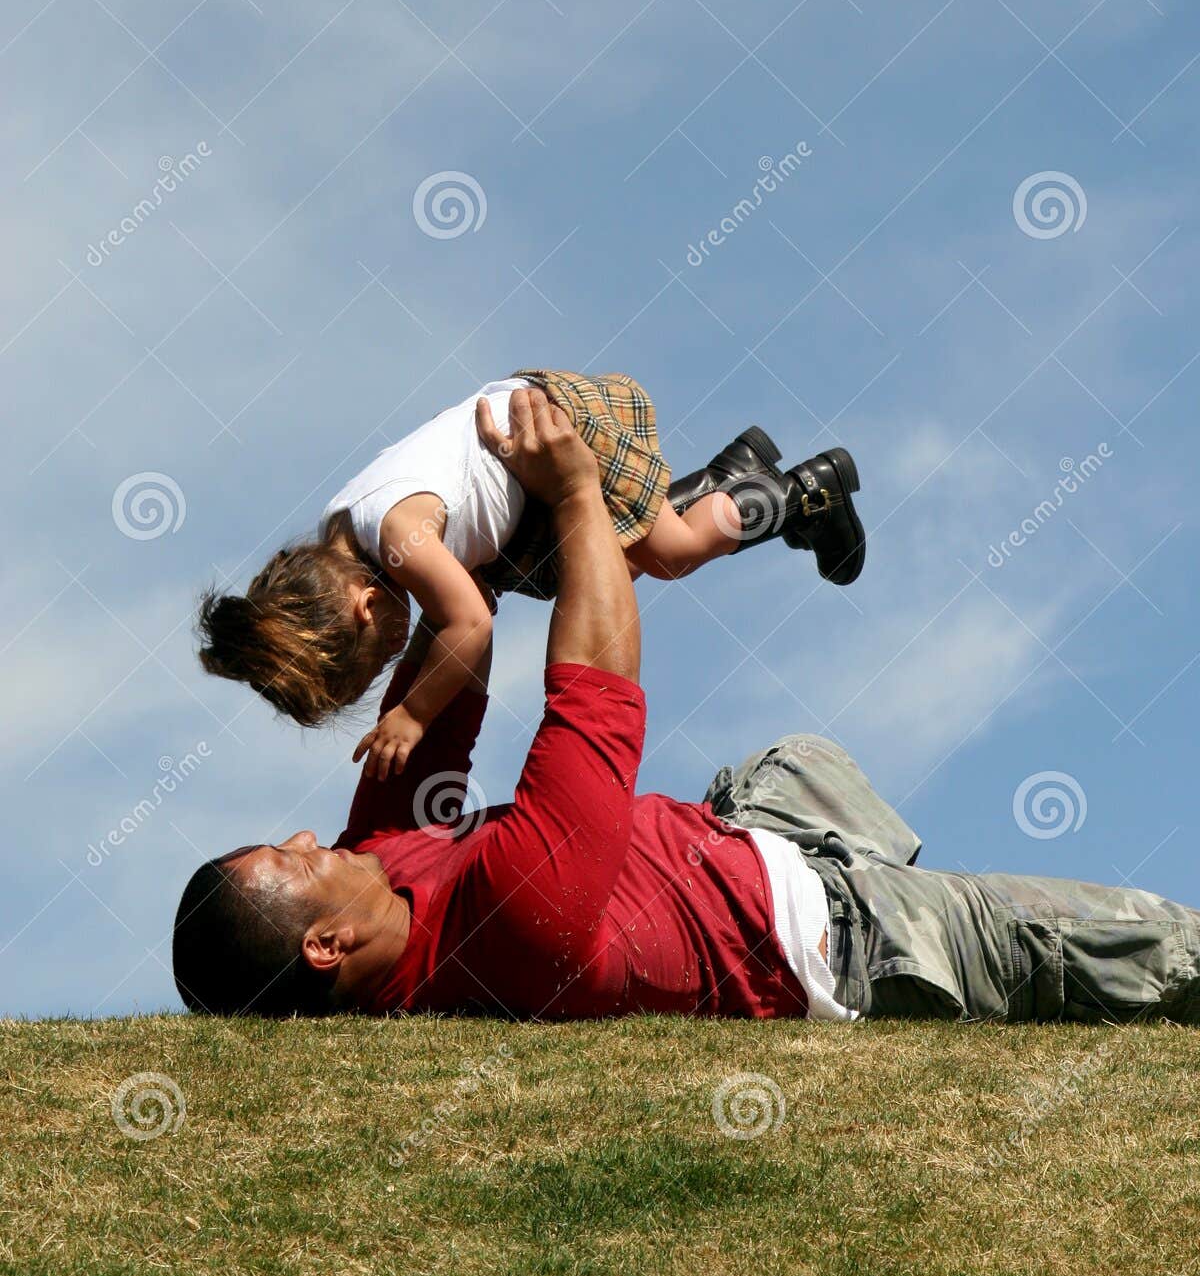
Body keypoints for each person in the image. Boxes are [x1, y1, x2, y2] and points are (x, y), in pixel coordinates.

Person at [173, 391, 1200, 1027]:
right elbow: (595, 701)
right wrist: (575, 495)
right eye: (292, 859)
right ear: (325, 948)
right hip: (833, 932)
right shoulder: (508, 926)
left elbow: (455, 666)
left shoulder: (383, 858)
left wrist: (465, 547)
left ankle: (746, 495)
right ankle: (959, 942)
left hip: (757, 826)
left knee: (794, 751)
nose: (312, 834)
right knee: (1154, 950)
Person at [194, 369, 865, 781]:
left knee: (670, 552)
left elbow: (470, 623)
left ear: (365, 607)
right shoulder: (349, 526)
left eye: (381, 661)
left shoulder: (397, 540)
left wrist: (413, 714)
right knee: (586, 573)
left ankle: (807, 493)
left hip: (554, 425)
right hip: (523, 460)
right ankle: (732, 472)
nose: (398, 658)